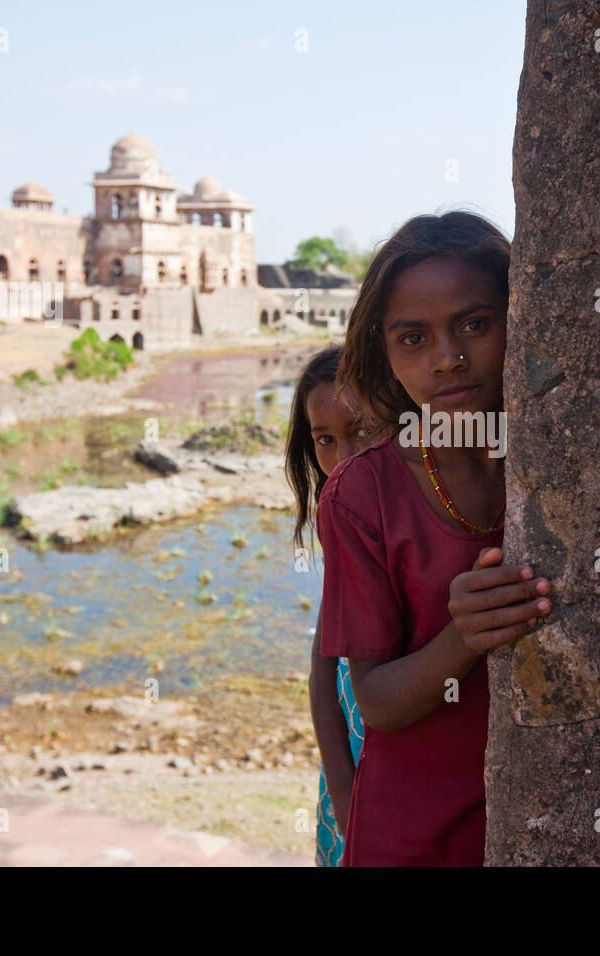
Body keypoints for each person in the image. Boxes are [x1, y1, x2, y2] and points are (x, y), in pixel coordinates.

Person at [318, 211, 553, 866]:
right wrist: (464, 636)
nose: (447, 359)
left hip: (544, 811)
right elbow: (376, 701)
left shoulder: (561, 460)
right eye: (413, 339)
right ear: (385, 355)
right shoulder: (362, 495)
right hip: (413, 830)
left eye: (475, 325)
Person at [284, 345, 371, 866]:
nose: (343, 457)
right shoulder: (341, 517)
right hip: (350, 753)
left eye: (362, 430)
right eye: (325, 440)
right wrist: (341, 789)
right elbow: (323, 665)